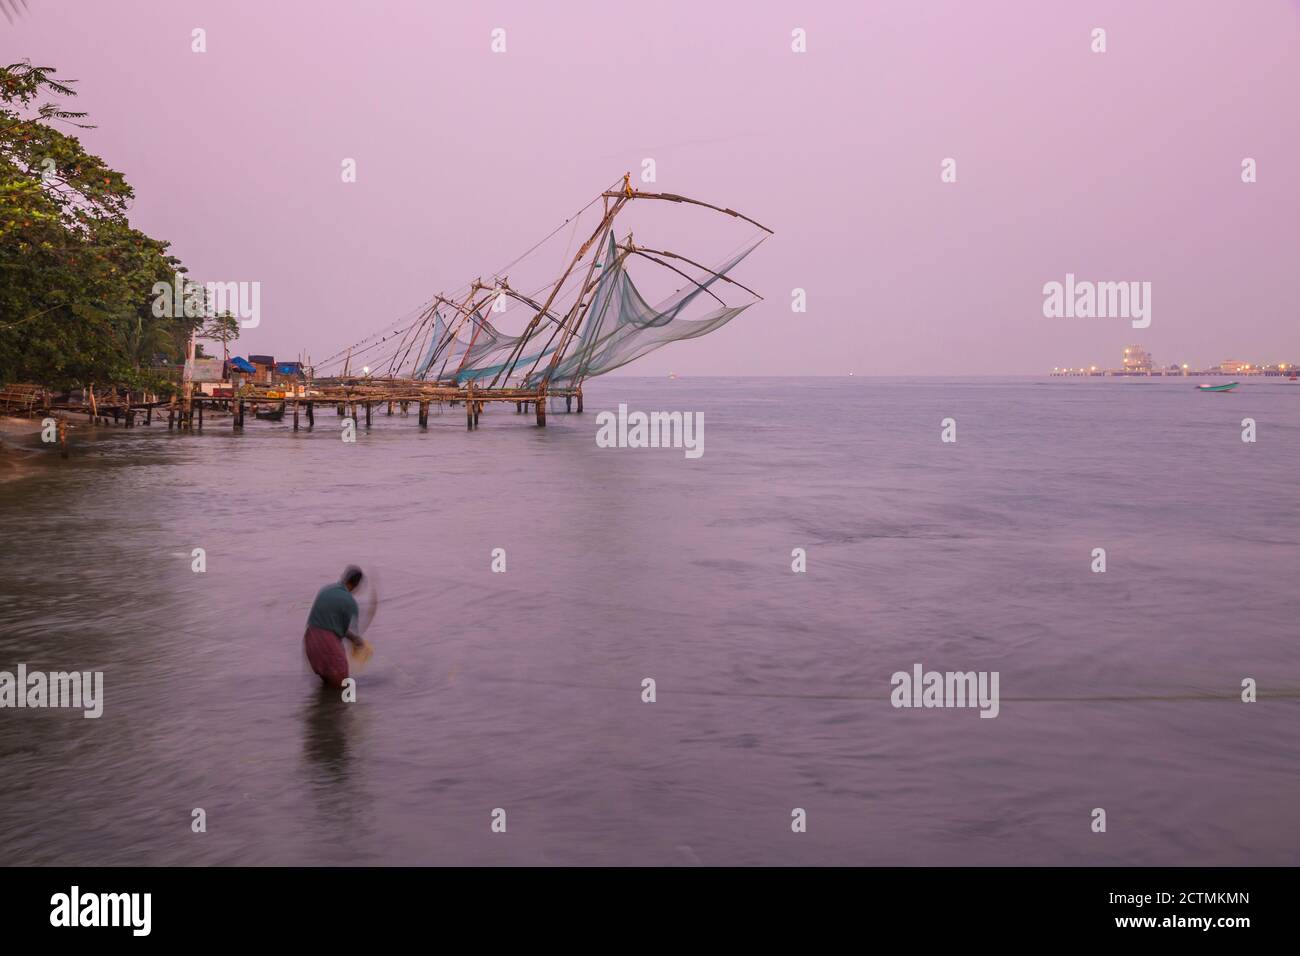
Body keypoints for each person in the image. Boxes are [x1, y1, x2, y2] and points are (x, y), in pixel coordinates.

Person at [303, 565, 368, 688]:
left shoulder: (325, 590)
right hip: (327, 644)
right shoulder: (350, 602)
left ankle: (327, 705)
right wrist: (357, 641)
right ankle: (340, 707)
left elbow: (324, 621)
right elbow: (348, 632)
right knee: (343, 687)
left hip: (310, 640)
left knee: (327, 685)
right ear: (356, 584)